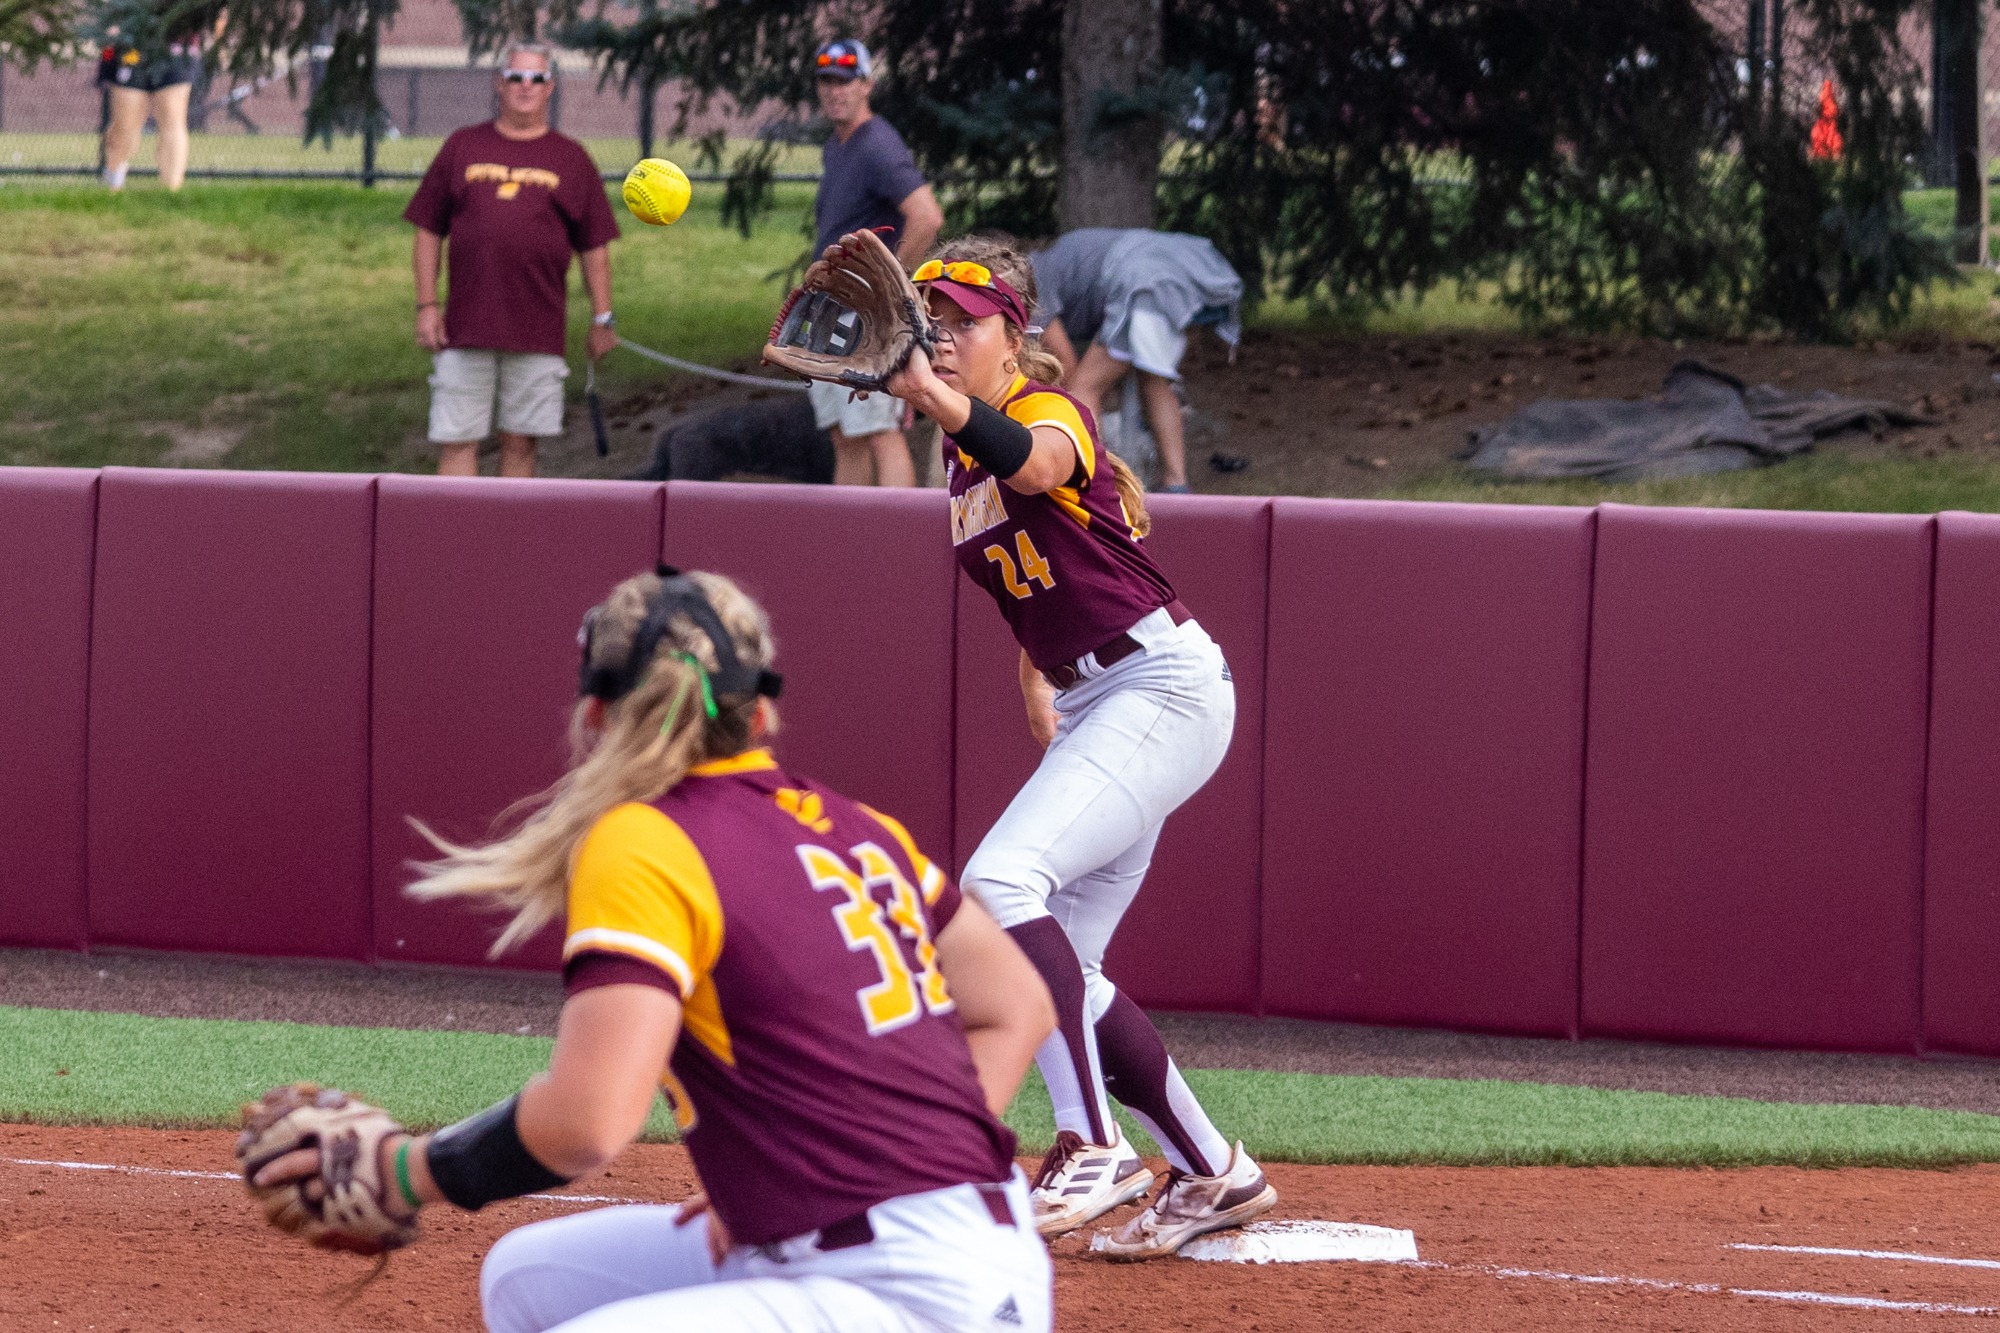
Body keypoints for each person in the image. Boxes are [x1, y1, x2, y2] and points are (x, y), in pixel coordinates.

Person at [246, 568, 1058, 1333]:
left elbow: (587, 1124)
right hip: (984, 1254)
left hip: (903, 1291)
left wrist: (404, 1171)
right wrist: (808, 1181)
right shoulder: (857, 825)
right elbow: (1016, 1006)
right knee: (524, 1278)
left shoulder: (645, 835)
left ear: (594, 716)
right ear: (762, 713)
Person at [882, 236, 1277, 1260]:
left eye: (963, 320)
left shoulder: (1041, 410)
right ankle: (1209, 1167)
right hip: (1104, 696)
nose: (944, 337)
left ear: (1012, 331)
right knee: (1066, 962)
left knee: (995, 885)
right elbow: (1035, 574)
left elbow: (1044, 461)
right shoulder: (960, 449)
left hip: (1159, 685)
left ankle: (1088, 1140)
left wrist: (928, 395)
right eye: (931, 322)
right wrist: (1034, 671)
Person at [402, 43, 620, 479]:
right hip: (464, 328)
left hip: (537, 328)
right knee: (457, 438)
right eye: (516, 77)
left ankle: (502, 544)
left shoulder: (572, 159)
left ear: (550, 88)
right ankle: (455, 540)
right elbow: (428, 230)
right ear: (499, 84)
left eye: (536, 79)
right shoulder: (463, 146)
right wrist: (427, 306)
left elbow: (594, 247)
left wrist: (603, 318)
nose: (526, 87)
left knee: (520, 444)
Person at [809, 38, 943, 488]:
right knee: (846, 435)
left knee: (880, 431)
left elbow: (926, 215)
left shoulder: (877, 144)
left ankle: (896, 544)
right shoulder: (838, 146)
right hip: (830, 310)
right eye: (826, 81)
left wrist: (887, 288)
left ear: (867, 84)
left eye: (845, 81)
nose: (835, 91)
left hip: (864, 315)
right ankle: (848, 546)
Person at [1031, 229, 1244, 493]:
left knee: (1082, 389)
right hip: (1172, 274)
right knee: (1153, 381)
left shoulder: (1029, 281)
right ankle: (1176, 485)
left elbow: (1066, 364)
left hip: (1143, 283)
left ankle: (1095, 485)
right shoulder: (1054, 261)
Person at [91, 0, 225, 192]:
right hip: (130, 45)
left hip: (177, 44)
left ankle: (171, 192)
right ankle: (113, 185)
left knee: (172, 118)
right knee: (125, 126)